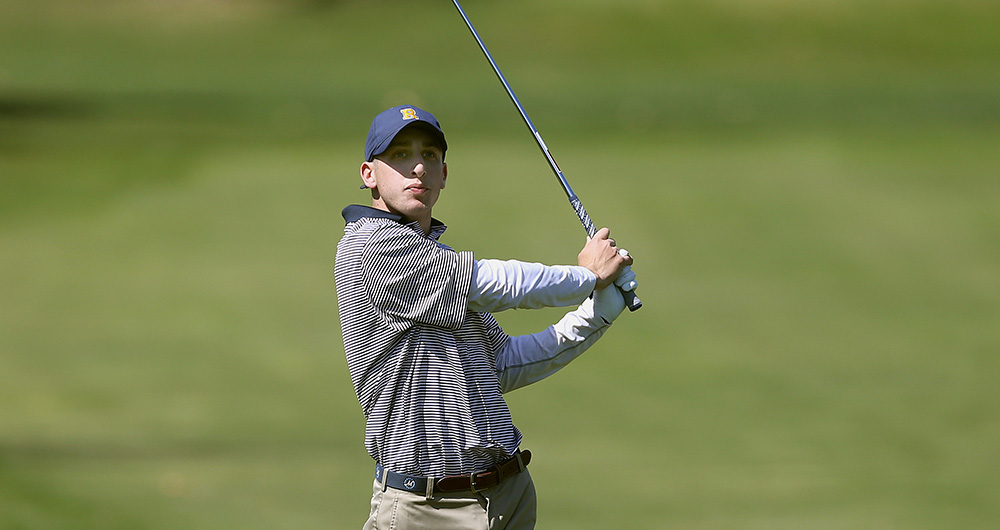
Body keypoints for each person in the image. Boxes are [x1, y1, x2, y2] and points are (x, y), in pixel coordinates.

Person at [334, 105, 638, 529]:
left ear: (444, 175)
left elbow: (504, 364)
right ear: (370, 173)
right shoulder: (372, 249)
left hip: (508, 495)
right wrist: (585, 276)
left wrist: (596, 314)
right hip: (429, 508)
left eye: (431, 156)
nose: (418, 167)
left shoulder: (436, 261)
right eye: (400, 155)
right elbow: (496, 283)